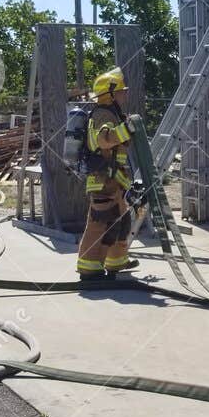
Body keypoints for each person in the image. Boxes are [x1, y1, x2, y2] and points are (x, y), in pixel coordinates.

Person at [76, 67, 140, 281]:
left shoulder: (112, 113)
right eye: (122, 91)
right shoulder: (103, 113)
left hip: (113, 180)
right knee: (101, 222)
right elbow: (105, 140)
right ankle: (88, 266)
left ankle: (116, 261)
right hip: (103, 179)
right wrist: (127, 129)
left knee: (121, 221)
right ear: (110, 94)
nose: (125, 94)